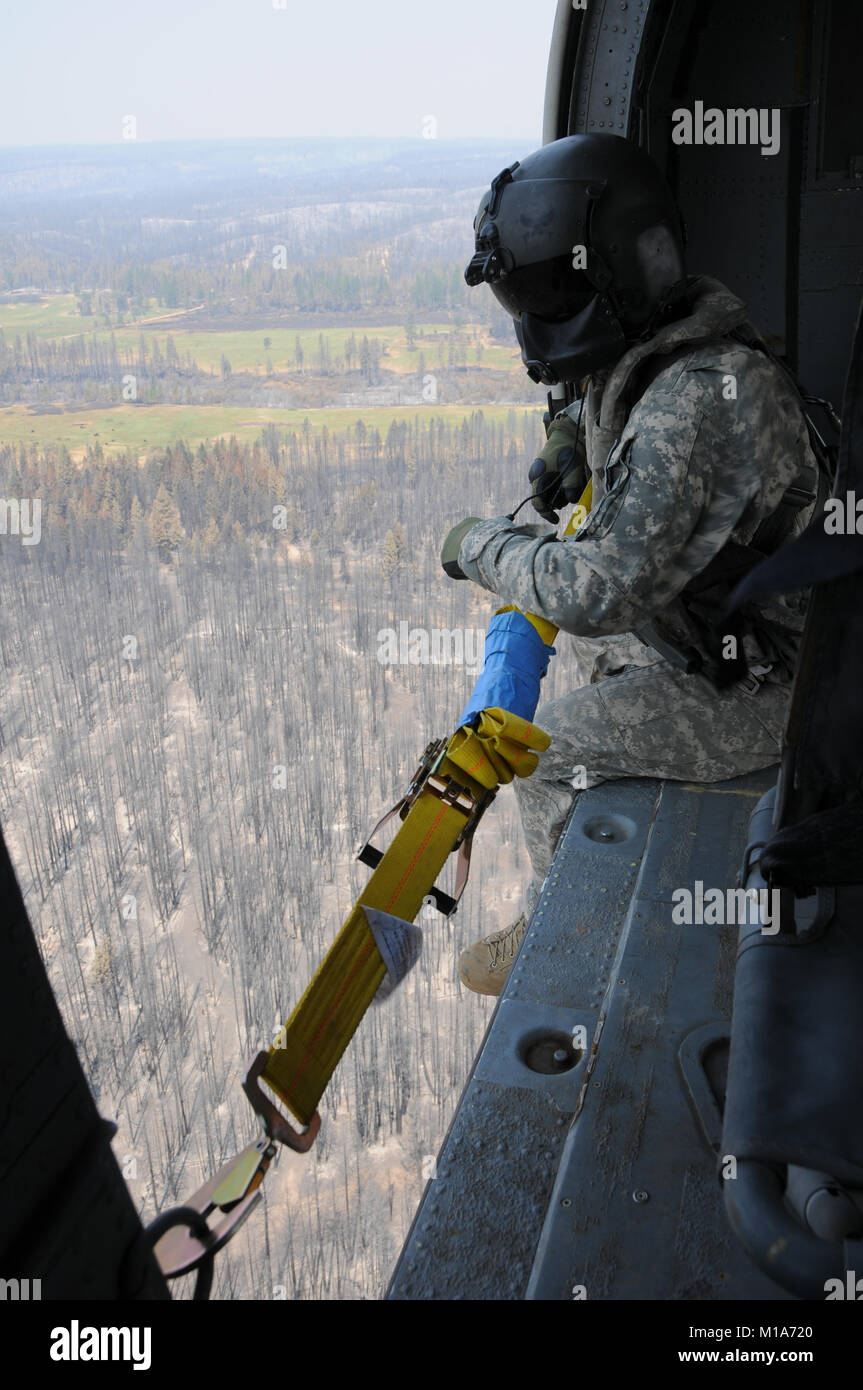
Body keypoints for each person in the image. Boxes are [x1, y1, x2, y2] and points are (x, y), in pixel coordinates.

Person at [442, 133, 818, 996]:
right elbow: (587, 387)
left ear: (604, 278)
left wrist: (478, 546)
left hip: (777, 681)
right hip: (719, 631)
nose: (533, 318)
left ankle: (552, 942)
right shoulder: (662, 331)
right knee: (593, 669)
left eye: (544, 293)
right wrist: (567, 438)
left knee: (548, 753)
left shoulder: (699, 400)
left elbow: (596, 590)